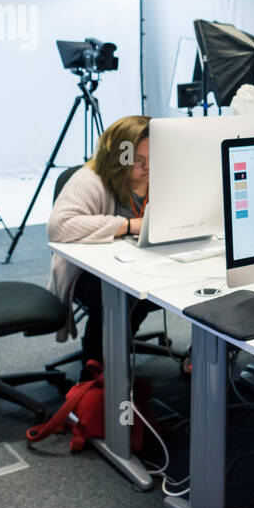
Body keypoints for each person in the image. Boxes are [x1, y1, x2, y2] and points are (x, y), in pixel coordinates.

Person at [47, 115, 160, 365]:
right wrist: (127, 225)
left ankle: (202, 360)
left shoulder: (165, 174)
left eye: (154, 158)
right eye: (138, 161)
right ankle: (95, 371)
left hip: (147, 261)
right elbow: (59, 226)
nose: (149, 168)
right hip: (88, 273)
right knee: (119, 293)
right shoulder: (92, 178)